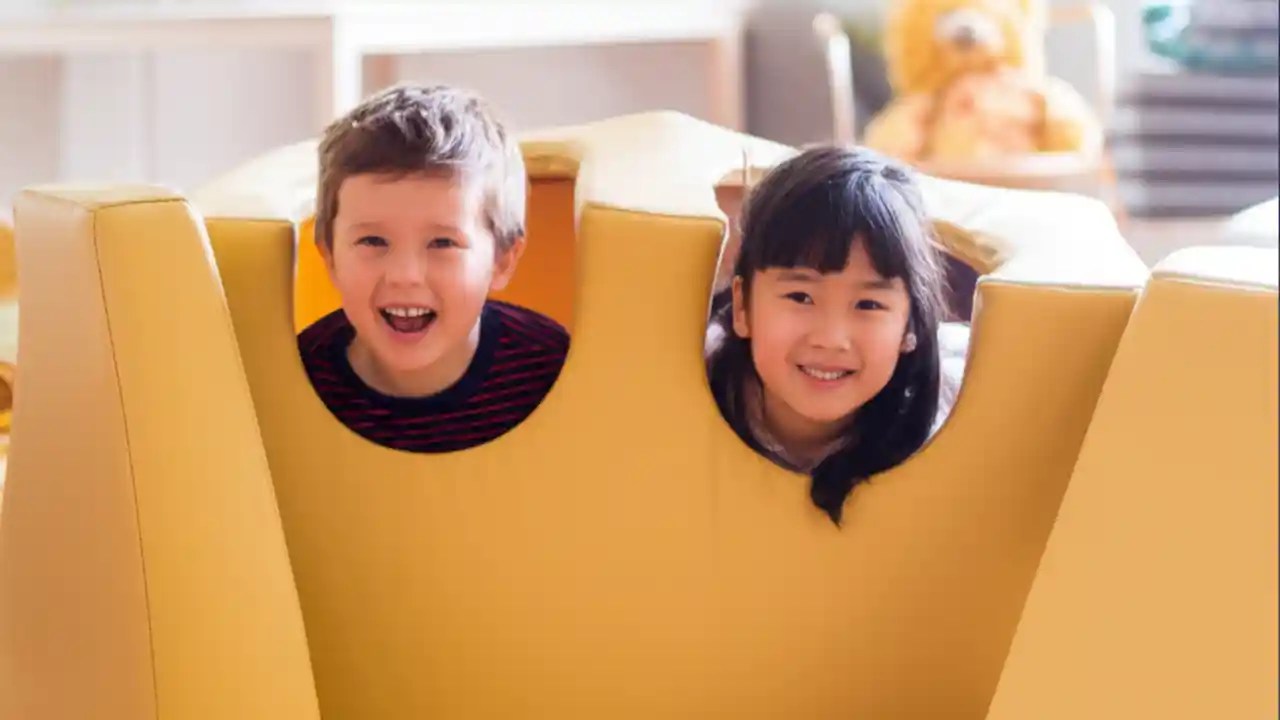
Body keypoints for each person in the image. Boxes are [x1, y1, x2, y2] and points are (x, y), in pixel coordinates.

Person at [298, 84, 568, 453]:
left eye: (443, 243)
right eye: (373, 241)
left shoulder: (551, 370)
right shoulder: (299, 382)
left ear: (502, 259)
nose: (405, 275)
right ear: (329, 257)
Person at [705, 145, 955, 525]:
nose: (831, 339)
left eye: (868, 305)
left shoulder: (952, 409)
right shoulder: (694, 379)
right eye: (800, 296)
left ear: (911, 326)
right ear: (742, 308)